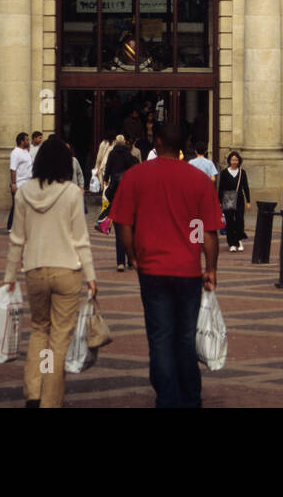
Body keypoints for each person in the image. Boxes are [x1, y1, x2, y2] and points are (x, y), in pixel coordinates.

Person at [109, 122, 224, 408]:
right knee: (185, 336)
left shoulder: (136, 176)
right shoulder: (198, 180)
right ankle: (190, 396)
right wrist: (210, 268)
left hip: (152, 270)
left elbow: (122, 222)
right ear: (183, 144)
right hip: (187, 270)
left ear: (157, 142)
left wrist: (132, 255)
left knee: (160, 336)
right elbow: (208, 231)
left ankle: (168, 397)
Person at [3, 135, 97, 408]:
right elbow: (81, 239)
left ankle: (34, 392)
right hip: (67, 270)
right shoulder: (71, 194)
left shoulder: (24, 193)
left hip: (34, 269)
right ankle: (50, 400)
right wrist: (91, 276)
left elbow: (17, 239)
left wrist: (9, 277)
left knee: (39, 330)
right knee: (59, 338)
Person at [103, 135, 137, 271]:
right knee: (132, 232)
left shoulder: (112, 153)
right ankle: (130, 260)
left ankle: (120, 262)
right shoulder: (129, 155)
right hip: (130, 204)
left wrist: (106, 179)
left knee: (119, 235)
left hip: (117, 201)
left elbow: (108, 167)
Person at [216, 151, 251, 251]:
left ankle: (239, 240)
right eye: (232, 160)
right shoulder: (224, 173)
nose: (234, 162)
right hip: (228, 198)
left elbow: (246, 187)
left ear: (239, 161)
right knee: (230, 221)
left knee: (240, 220)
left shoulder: (242, 172)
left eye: (236, 160)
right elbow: (221, 188)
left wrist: (248, 201)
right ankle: (231, 243)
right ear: (229, 161)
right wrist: (219, 201)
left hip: (239, 198)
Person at [8, 132, 32, 232]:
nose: (28, 141)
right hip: (19, 183)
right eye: (27, 140)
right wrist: (14, 184)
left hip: (28, 183)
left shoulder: (25, 151)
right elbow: (13, 169)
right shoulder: (15, 153)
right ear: (22, 141)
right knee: (16, 206)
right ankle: (10, 227)